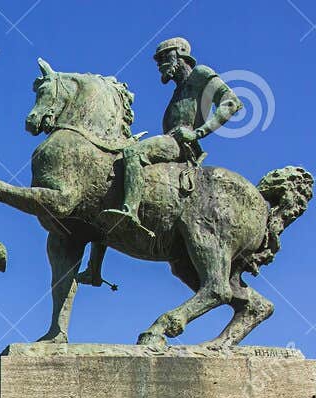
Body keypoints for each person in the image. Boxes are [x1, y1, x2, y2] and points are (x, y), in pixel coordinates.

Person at [94, 37, 240, 250]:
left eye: (165, 57)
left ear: (181, 53)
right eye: (158, 60)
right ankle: (94, 268)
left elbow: (232, 102)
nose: (160, 63)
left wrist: (198, 133)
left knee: (133, 153)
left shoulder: (199, 75)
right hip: (172, 140)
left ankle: (130, 211)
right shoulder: (178, 91)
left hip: (179, 143)